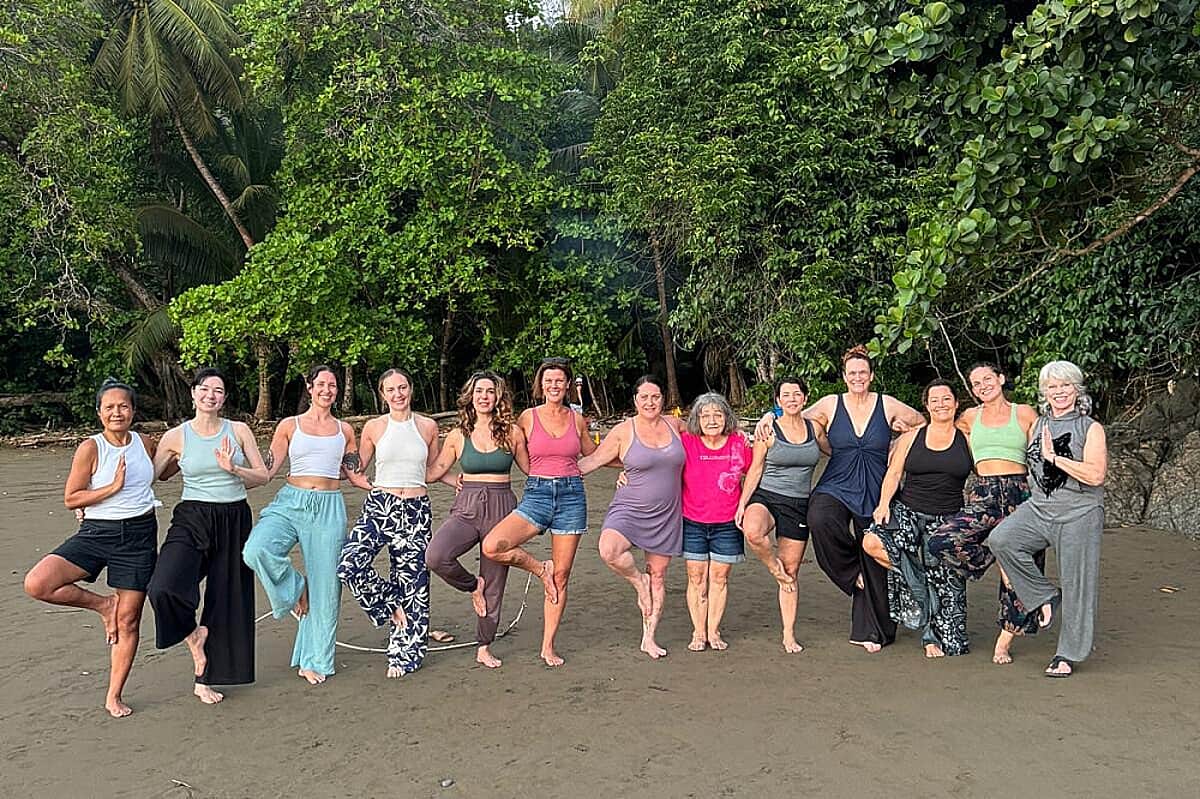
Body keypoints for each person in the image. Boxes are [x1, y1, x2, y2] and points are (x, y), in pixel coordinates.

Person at [754, 346, 925, 652]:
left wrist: (898, 444)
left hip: (875, 484)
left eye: (863, 372)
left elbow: (922, 423)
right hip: (837, 480)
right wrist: (770, 414)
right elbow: (791, 415)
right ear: (844, 377)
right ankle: (851, 573)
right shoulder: (831, 404)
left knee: (871, 546)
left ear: (871, 376)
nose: (857, 378)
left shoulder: (887, 405)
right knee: (819, 517)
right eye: (852, 373)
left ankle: (873, 632)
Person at [23, 379, 159, 717]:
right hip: (97, 532)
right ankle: (102, 605)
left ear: (133, 411)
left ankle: (114, 695)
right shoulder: (91, 448)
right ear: (100, 412)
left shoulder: (145, 442)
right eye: (110, 407)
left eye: (123, 406)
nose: (117, 412)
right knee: (38, 583)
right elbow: (72, 498)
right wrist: (112, 488)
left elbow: (165, 469)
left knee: (129, 621)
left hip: (139, 534)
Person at [147, 368, 269, 704]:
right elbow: (148, 480)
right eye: (204, 389)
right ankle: (193, 634)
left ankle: (205, 678)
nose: (210, 395)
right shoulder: (176, 436)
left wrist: (234, 469)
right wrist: (95, 503)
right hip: (192, 516)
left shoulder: (239, 430)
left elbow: (262, 476)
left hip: (234, 516)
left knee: (226, 596)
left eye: (218, 390)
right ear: (193, 394)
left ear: (224, 398)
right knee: (163, 586)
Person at [242, 364, 368, 685]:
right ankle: (297, 589)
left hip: (329, 507)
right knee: (257, 549)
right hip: (291, 501)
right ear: (310, 387)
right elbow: (268, 469)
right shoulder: (289, 425)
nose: (327, 390)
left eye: (333, 385)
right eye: (321, 384)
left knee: (326, 588)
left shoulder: (345, 430)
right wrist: (234, 474)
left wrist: (387, 485)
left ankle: (315, 661)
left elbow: (354, 474)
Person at [989, 361, 1107, 677]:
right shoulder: (1038, 424)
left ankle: (1067, 654)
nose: (1059, 392)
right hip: (1039, 509)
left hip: (1079, 514)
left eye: (1065, 385)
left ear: (1077, 389)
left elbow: (1096, 474)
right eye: (1052, 387)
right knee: (1002, 540)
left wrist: (1056, 458)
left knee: (1077, 585)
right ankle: (1044, 595)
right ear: (1044, 392)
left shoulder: (1090, 427)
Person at [481, 358, 597, 666]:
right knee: (494, 546)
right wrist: (473, 474)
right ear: (540, 385)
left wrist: (628, 468)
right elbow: (501, 445)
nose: (554, 385)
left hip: (572, 496)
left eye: (560, 380)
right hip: (537, 494)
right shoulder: (528, 418)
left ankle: (548, 646)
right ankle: (538, 569)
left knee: (562, 575)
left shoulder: (577, 419)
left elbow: (596, 455)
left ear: (568, 384)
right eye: (549, 381)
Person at [925, 362, 1043, 664]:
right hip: (984, 492)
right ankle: (995, 557)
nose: (982, 386)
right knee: (941, 541)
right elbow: (938, 426)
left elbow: (1043, 454)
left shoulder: (1024, 413)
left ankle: (1004, 642)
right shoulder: (969, 417)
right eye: (975, 383)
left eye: (987, 379)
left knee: (1022, 572)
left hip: (1020, 492)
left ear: (1001, 379)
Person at [335, 369, 440, 678]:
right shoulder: (374, 427)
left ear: (411, 389)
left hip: (416, 509)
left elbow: (432, 469)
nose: (398, 394)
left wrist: (459, 480)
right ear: (383, 395)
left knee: (414, 584)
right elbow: (357, 466)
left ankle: (405, 656)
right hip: (381, 505)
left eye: (403, 387)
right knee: (349, 563)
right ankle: (387, 604)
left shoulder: (428, 426)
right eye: (391, 390)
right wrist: (349, 475)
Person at [425, 371, 529, 669]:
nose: (484, 396)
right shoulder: (458, 435)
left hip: (502, 506)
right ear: (470, 396)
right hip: (467, 505)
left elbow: (533, 472)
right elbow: (433, 472)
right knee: (437, 555)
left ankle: (484, 645)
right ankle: (473, 586)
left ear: (499, 397)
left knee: (496, 581)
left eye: (490, 391)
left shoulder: (512, 432)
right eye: (479, 391)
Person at [862, 379, 973, 657]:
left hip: (949, 518)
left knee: (955, 644)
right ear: (926, 406)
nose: (941, 404)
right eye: (934, 400)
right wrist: (883, 504)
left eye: (946, 399)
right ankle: (921, 584)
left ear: (956, 403)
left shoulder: (968, 438)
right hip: (909, 510)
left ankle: (935, 629)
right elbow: (894, 473)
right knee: (872, 543)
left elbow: (985, 471)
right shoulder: (913, 436)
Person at [579, 375, 684, 659]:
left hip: (667, 513)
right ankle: (639, 583)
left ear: (663, 399)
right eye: (644, 397)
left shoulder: (676, 425)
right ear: (635, 401)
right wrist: (547, 470)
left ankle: (649, 638)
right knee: (609, 550)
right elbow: (592, 461)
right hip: (629, 508)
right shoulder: (624, 431)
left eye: (656, 397)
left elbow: (711, 434)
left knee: (659, 576)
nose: (650, 402)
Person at [736, 377, 828, 653]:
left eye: (796, 394)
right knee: (752, 531)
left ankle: (788, 633)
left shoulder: (815, 429)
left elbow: (837, 453)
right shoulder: (769, 430)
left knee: (792, 571)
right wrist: (742, 503)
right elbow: (755, 469)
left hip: (798, 503)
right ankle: (774, 569)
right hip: (766, 495)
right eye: (785, 395)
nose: (791, 399)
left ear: (804, 398)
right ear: (777, 401)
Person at [676, 392, 754, 652]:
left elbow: (757, 470)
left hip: (728, 522)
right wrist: (627, 478)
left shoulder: (739, 442)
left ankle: (714, 630)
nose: (712, 420)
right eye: (705, 415)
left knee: (719, 578)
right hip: (693, 521)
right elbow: (657, 461)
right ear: (697, 419)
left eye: (718, 414)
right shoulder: (686, 442)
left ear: (727, 417)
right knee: (696, 577)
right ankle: (698, 632)